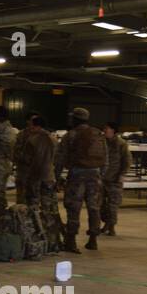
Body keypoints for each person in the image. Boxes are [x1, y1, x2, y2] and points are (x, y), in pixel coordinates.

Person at [54, 107, 107, 252]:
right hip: (95, 176)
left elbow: (60, 159)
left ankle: (71, 241)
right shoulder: (98, 134)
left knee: (73, 207)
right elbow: (105, 159)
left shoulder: (70, 135)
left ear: (75, 119)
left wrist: (56, 177)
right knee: (94, 208)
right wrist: (100, 175)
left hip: (77, 175)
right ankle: (93, 240)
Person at [15, 115, 61, 249]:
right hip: (49, 177)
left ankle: (35, 238)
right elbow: (57, 159)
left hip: (35, 177)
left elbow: (25, 158)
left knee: (33, 209)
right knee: (49, 210)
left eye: (31, 125)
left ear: (35, 126)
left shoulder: (32, 140)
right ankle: (53, 240)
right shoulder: (53, 139)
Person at [100, 121, 131, 237]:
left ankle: (111, 227)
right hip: (101, 178)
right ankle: (106, 224)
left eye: (106, 128)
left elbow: (127, 160)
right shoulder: (101, 142)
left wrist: (122, 174)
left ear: (113, 130)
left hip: (114, 179)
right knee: (100, 204)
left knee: (113, 205)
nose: (104, 130)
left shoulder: (121, 144)